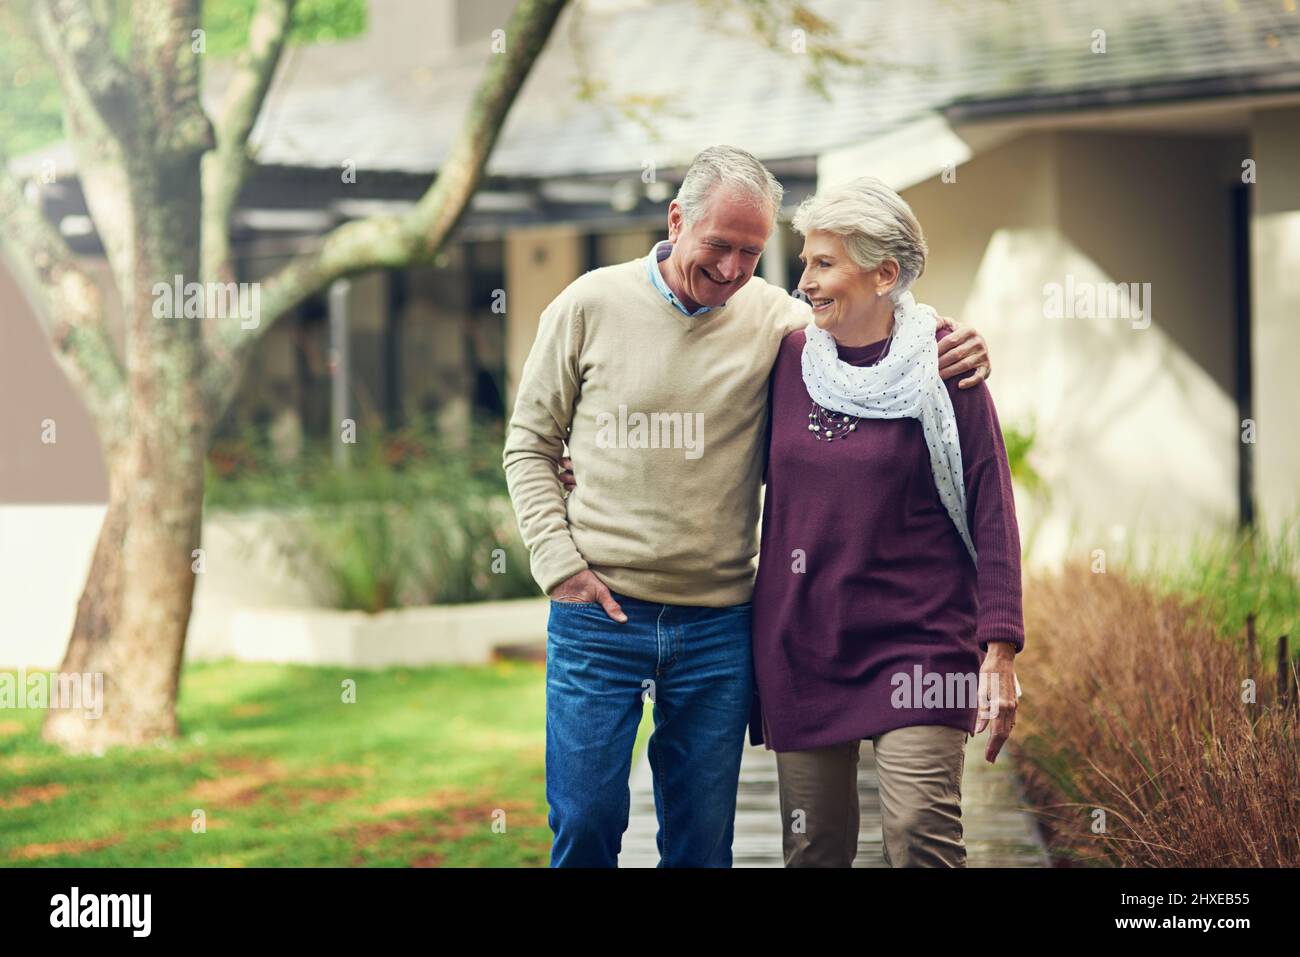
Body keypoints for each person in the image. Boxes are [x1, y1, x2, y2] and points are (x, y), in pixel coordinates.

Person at [503, 145, 992, 868]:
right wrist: (560, 566)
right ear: (677, 220)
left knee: (703, 842)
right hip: (597, 615)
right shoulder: (586, 305)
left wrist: (952, 341)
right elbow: (529, 446)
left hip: (717, 623)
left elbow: (871, 314)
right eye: (719, 246)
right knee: (586, 820)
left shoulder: (780, 324)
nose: (733, 269)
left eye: (752, 252)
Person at [748, 176, 1023, 867]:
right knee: (814, 848)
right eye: (805, 260)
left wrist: (999, 651)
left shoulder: (947, 364)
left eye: (823, 263)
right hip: (805, 644)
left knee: (921, 839)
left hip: (921, 641)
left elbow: (993, 506)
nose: (804, 280)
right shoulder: (785, 361)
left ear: (885, 273)